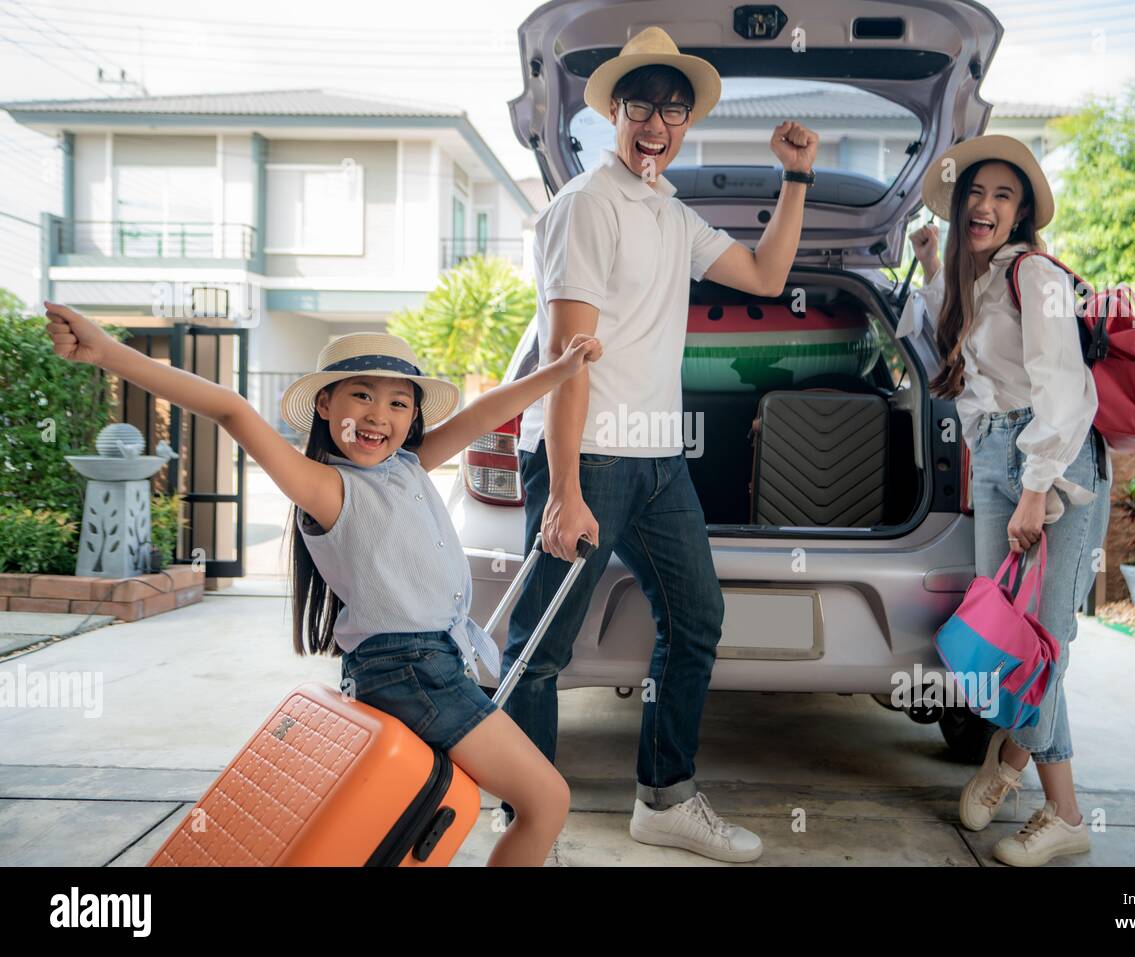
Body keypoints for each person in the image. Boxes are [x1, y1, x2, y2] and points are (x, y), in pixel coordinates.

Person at [42, 302, 602, 867]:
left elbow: (484, 414)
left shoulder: (408, 465)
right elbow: (232, 410)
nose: (379, 414)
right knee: (547, 799)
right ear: (325, 404)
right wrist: (109, 352)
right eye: (361, 395)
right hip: (407, 668)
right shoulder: (327, 488)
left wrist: (559, 372)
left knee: (439, 808)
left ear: (413, 419)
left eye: (398, 402)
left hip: (432, 665)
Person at [500, 25, 819, 863]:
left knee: (697, 617)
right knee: (540, 647)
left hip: (655, 461)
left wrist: (796, 179)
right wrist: (564, 490)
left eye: (673, 110)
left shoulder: (671, 214)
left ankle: (664, 798)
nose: (656, 123)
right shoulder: (586, 206)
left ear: (686, 123)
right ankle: (527, 825)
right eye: (639, 105)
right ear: (612, 110)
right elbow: (570, 364)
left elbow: (764, 277)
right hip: (588, 458)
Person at [910, 134, 1112, 866]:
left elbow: (1061, 389)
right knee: (1006, 637)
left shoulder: (1035, 274)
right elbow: (946, 347)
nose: (984, 205)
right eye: (975, 193)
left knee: (1044, 639)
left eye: (1002, 195)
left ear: (1022, 211)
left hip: (1054, 467)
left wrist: (1035, 489)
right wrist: (934, 266)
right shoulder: (974, 281)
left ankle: (1061, 810)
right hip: (994, 457)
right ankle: (1011, 758)